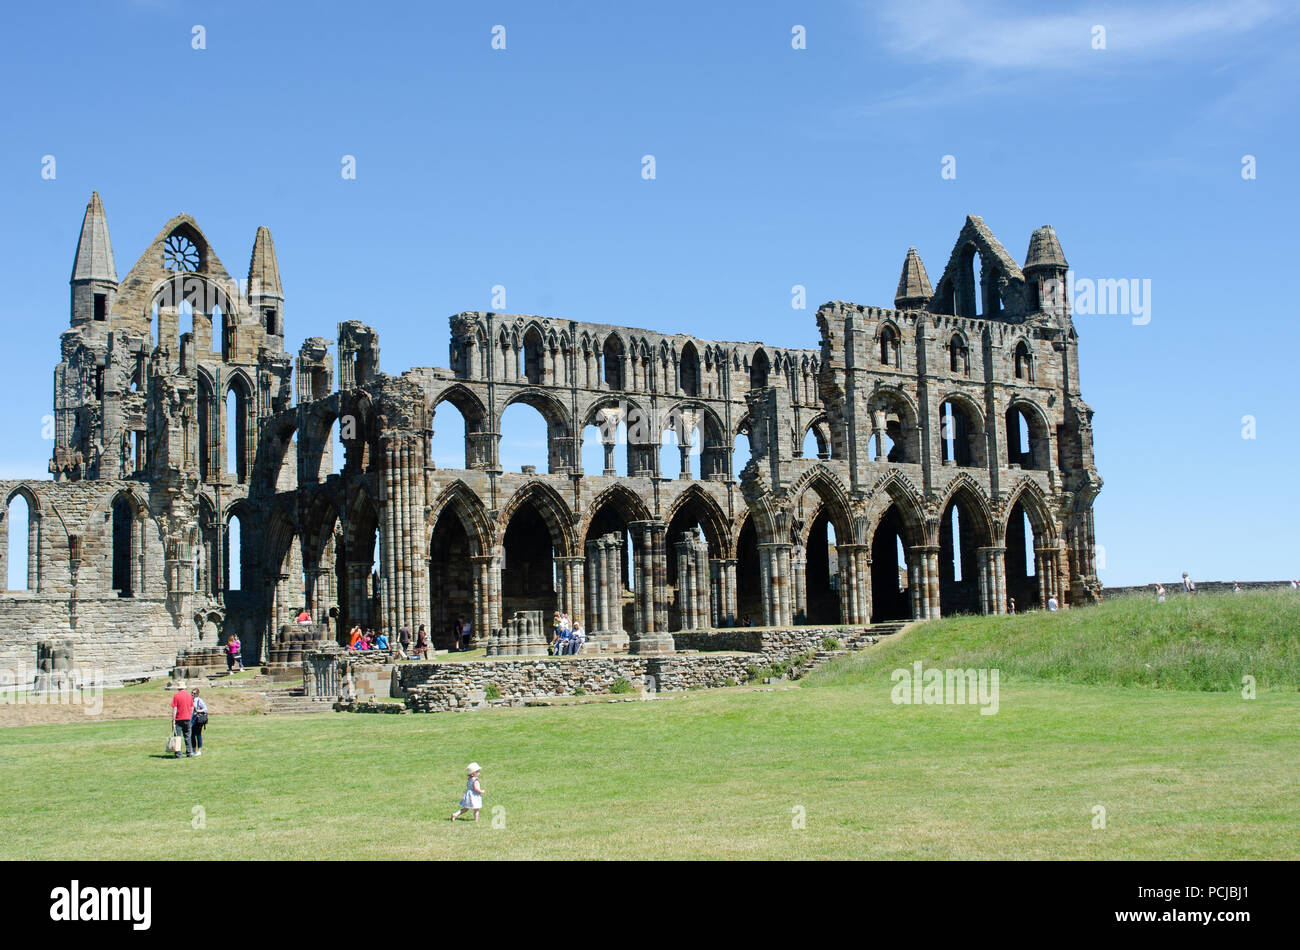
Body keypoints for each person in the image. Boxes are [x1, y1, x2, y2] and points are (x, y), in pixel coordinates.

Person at [170, 680, 194, 758]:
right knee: (187, 736)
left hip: (179, 719)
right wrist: (190, 716)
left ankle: (178, 753)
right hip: (187, 718)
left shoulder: (176, 696)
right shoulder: (189, 696)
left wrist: (173, 719)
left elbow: (175, 708)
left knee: (178, 737)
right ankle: (189, 752)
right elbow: (192, 707)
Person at [190, 687, 208, 757]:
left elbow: (205, 709)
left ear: (197, 694)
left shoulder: (199, 700)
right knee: (192, 735)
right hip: (192, 719)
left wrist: (198, 711)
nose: (193, 694)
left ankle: (199, 750)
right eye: (192, 693)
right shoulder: (190, 700)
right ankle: (193, 750)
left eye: (194, 693)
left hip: (198, 719)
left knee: (198, 735)